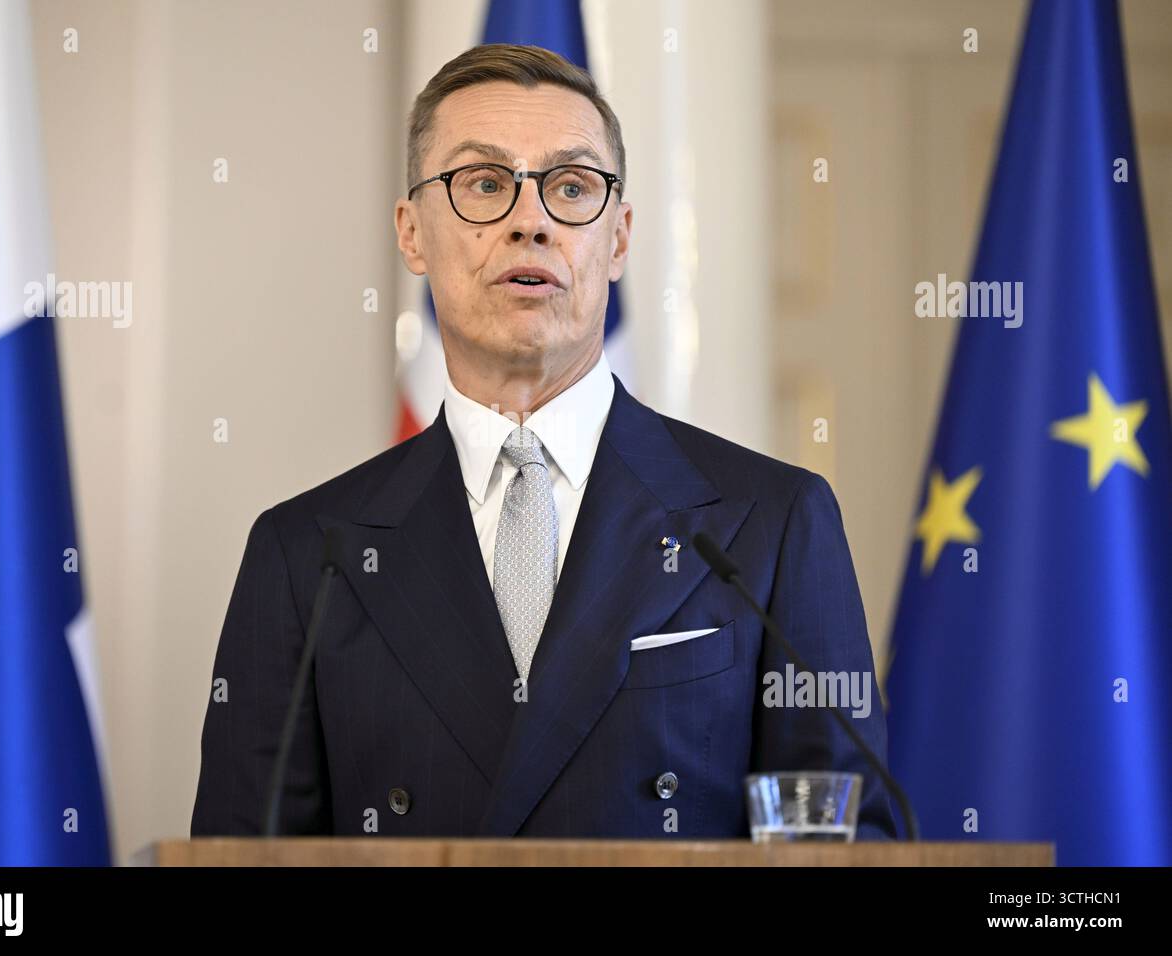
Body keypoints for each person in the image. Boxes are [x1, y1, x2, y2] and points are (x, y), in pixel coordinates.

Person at [191, 43, 897, 840]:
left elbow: (847, 841)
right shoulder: (301, 553)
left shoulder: (772, 523)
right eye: (485, 184)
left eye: (571, 187)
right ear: (412, 232)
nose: (531, 221)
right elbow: (243, 855)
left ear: (619, 238)